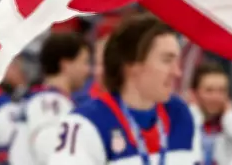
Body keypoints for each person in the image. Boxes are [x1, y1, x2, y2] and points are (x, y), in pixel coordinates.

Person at [46, 14, 200, 164]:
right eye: (167, 60)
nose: (177, 72)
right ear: (132, 65)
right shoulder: (84, 123)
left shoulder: (179, 114)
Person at [10, 32, 91, 165]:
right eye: (84, 62)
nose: (88, 70)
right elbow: (49, 150)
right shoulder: (50, 102)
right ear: (66, 64)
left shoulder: (41, 98)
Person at [189, 61, 232, 165]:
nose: (216, 97)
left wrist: (231, 119)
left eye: (221, 90)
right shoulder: (181, 123)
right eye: (209, 90)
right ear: (194, 93)